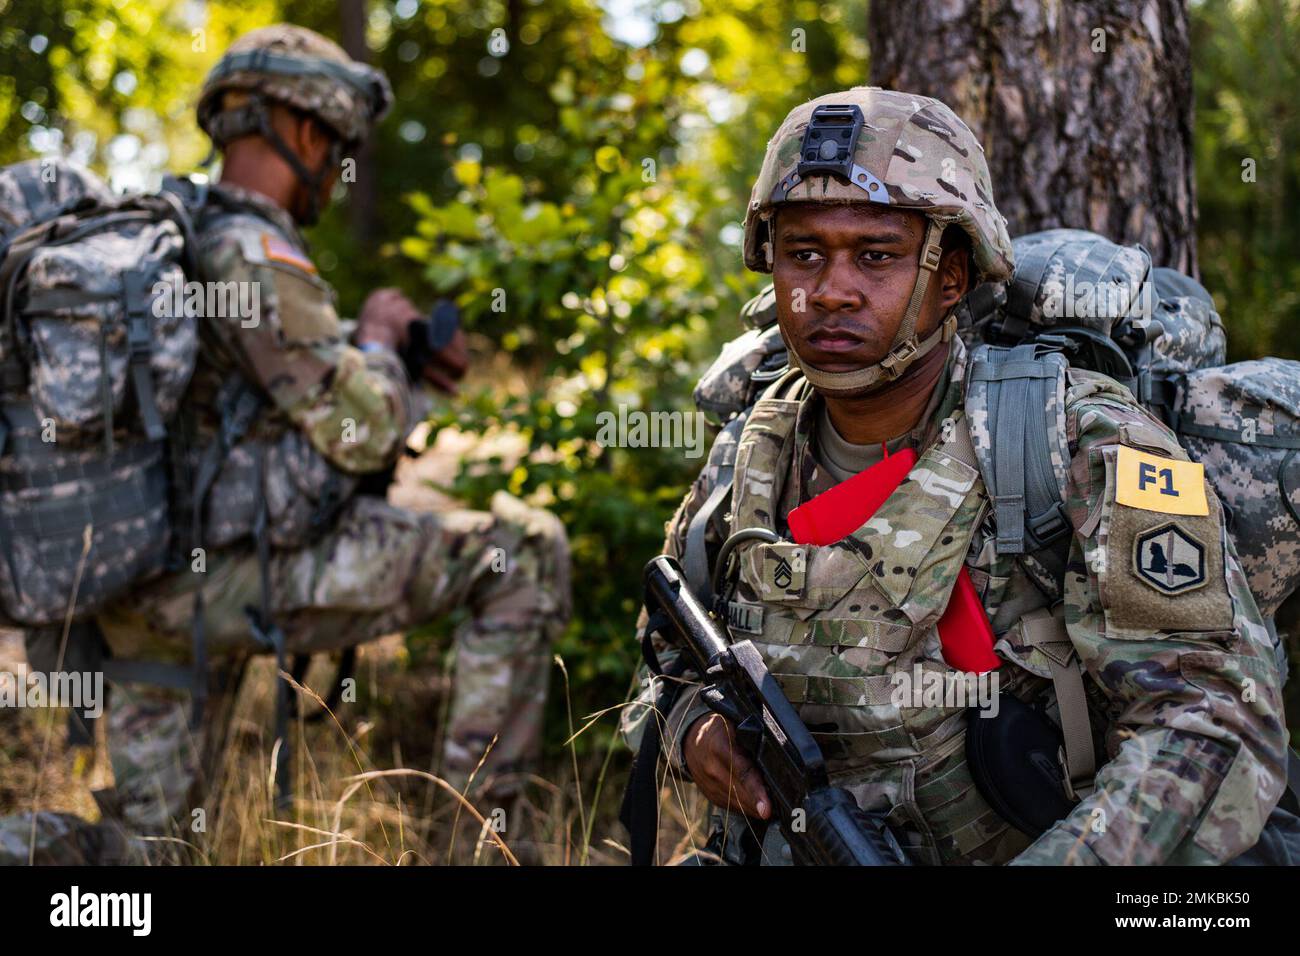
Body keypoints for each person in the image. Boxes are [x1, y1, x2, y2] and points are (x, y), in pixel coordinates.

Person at [620, 87, 1288, 865]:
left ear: (952, 277)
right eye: (803, 253)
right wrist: (694, 728)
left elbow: (1209, 720)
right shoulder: (750, 451)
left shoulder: (1076, 440)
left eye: (876, 256)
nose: (831, 290)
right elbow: (666, 659)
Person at [2, 24, 569, 865]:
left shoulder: (178, 232)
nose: (336, 175)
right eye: (337, 147)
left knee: (156, 854)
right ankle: (482, 850)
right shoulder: (256, 251)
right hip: (221, 578)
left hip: (132, 583)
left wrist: (365, 343)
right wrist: (379, 334)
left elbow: (242, 385)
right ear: (305, 131)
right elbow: (362, 427)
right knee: (521, 555)